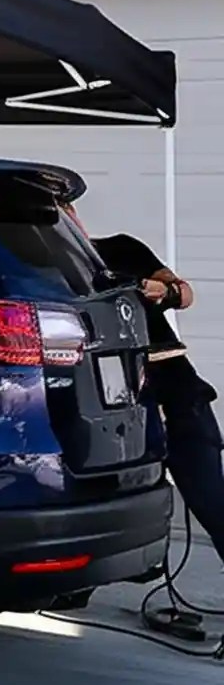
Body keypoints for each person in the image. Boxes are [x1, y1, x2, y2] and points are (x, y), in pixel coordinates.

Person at [62, 201, 224, 565]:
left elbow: (184, 293)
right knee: (116, 507)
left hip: (177, 390)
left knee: (211, 496)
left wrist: (163, 290)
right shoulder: (48, 267)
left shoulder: (121, 248)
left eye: (64, 212)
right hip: (117, 404)